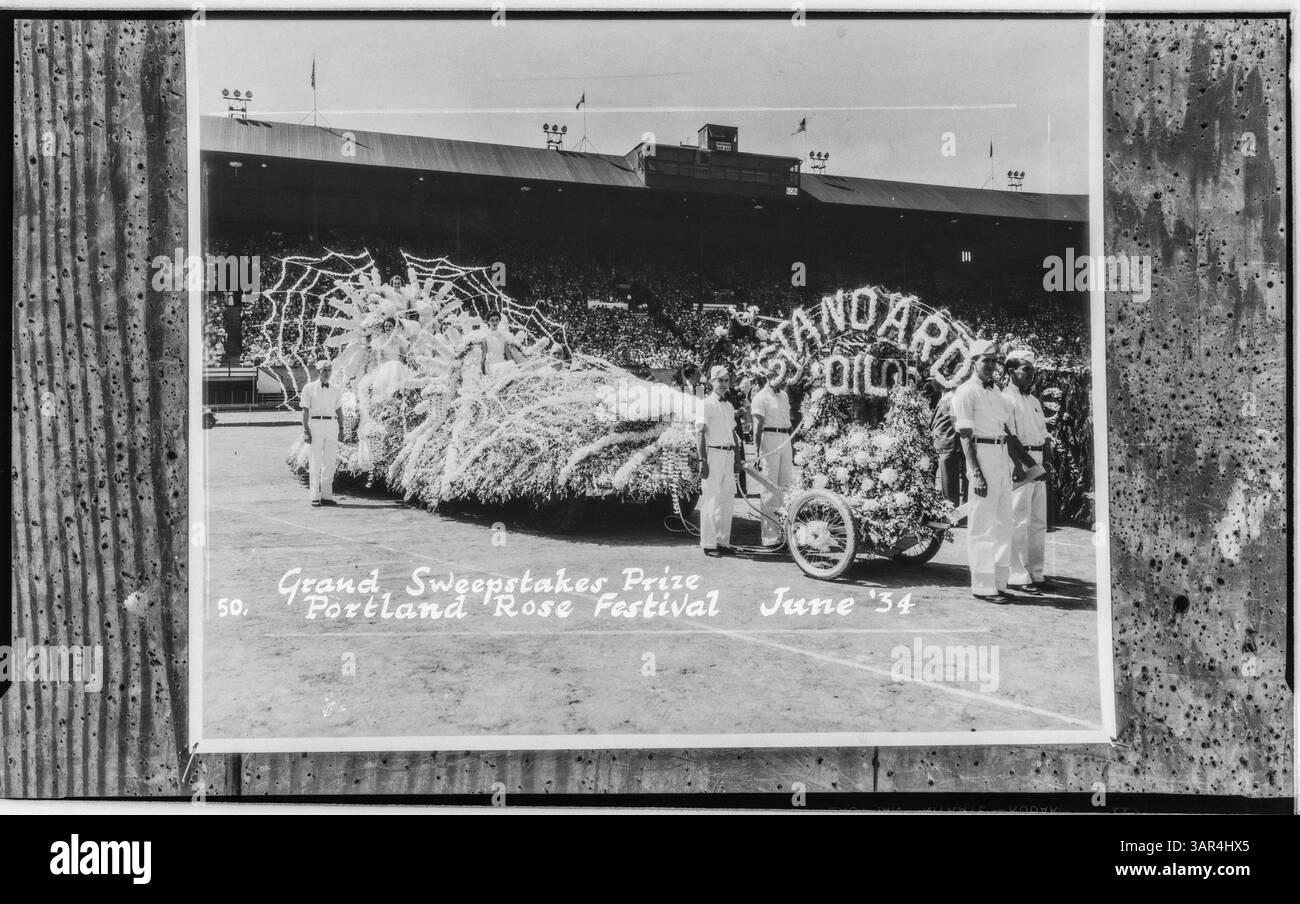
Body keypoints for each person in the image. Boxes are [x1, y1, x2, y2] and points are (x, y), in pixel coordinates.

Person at [950, 339, 1033, 603]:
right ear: (973, 362)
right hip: (981, 455)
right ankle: (983, 585)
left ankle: (1000, 582)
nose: (991, 366)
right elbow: (965, 436)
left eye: (994, 361)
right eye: (985, 361)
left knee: (1003, 523)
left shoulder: (996, 392)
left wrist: (1018, 465)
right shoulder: (965, 392)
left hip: (1000, 456)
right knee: (982, 524)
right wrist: (975, 473)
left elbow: (1006, 432)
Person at [1002, 349, 1053, 593]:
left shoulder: (1033, 401)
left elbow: (1044, 435)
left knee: (1038, 521)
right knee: (1019, 519)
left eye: (1033, 370)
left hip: (1038, 462)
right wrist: (1027, 466)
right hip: (1021, 464)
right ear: (1011, 372)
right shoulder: (1005, 399)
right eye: (1027, 370)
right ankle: (1018, 575)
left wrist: (1048, 462)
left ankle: (1036, 572)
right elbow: (1010, 437)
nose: (1031, 375)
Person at [695, 365, 742, 557]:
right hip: (713, 455)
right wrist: (702, 460)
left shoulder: (729, 406)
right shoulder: (705, 404)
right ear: (712, 382)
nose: (723, 384)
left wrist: (738, 459)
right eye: (719, 380)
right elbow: (700, 433)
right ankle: (708, 543)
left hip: (728, 455)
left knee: (727, 499)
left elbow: (733, 434)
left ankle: (723, 541)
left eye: (726, 381)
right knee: (711, 498)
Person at [750, 371, 794, 549]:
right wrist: (757, 453)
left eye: (784, 377)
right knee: (770, 487)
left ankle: (786, 532)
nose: (782, 380)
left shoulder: (783, 395)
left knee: (786, 486)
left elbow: (788, 421)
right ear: (770, 377)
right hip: (769, 440)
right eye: (779, 376)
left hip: (785, 439)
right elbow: (757, 428)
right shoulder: (760, 398)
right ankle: (770, 536)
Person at [300, 358, 344, 507]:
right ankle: (314, 496)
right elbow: (305, 411)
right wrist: (306, 431)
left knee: (330, 462)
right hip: (316, 425)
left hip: (332, 424)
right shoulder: (309, 388)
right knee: (315, 461)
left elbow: (339, 410)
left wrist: (342, 429)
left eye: (329, 370)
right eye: (324, 370)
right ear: (318, 371)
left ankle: (326, 496)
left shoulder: (336, 389)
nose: (327, 373)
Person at [927, 379, 965, 506]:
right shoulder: (949, 398)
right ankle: (952, 511)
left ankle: (951, 511)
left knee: (948, 482)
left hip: (945, 443)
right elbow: (953, 420)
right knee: (949, 481)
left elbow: (950, 419)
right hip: (947, 443)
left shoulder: (947, 398)